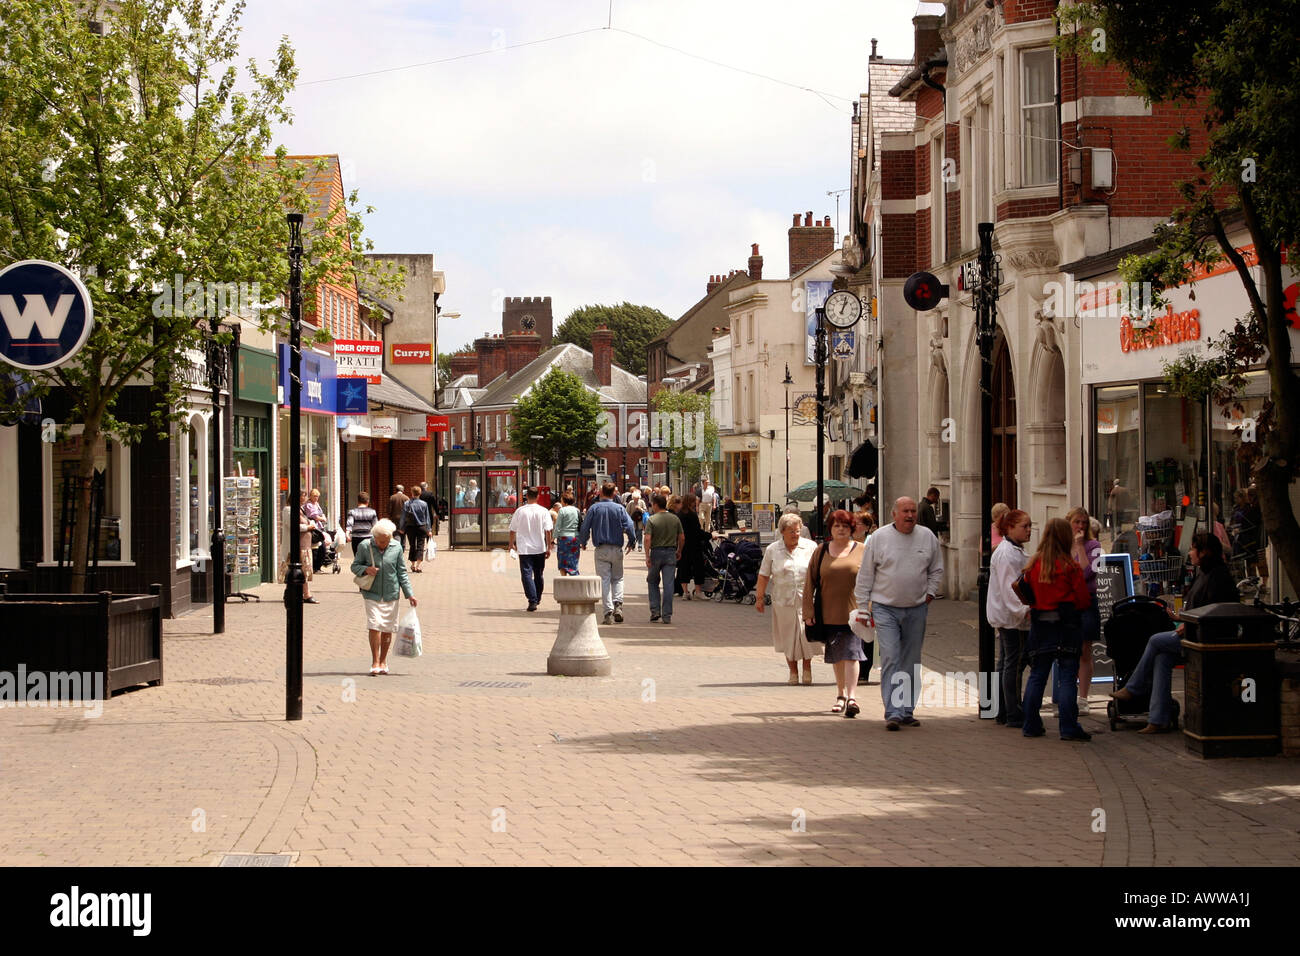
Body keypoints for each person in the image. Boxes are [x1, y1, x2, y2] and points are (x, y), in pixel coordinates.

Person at [1112, 532, 1238, 733]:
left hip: (1205, 638)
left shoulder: (1218, 577)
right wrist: (1181, 619)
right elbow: (1199, 608)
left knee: (1155, 640)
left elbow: (1214, 613)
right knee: (1162, 658)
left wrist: (1187, 625)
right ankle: (1157, 719)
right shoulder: (1203, 573)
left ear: (1205, 552)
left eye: (1194, 548)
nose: (1191, 552)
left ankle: (1134, 688)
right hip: (1193, 631)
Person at [854, 497, 944, 731]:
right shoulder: (880, 538)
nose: (910, 515)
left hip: (916, 608)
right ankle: (893, 711)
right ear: (894, 514)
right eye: (905, 511)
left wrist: (931, 593)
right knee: (891, 657)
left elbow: (936, 569)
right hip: (885, 608)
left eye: (913, 511)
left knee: (911, 660)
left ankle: (906, 710)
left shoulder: (927, 537)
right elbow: (865, 575)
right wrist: (863, 606)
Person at [1019, 518, 1093, 741]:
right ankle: (1068, 727)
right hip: (1067, 625)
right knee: (1068, 676)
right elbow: (1082, 600)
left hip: (1041, 624)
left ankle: (1030, 724)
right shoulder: (1070, 567)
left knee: (1038, 674)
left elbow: (1027, 595)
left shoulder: (1034, 565)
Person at [804, 510, 868, 715]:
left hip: (854, 613)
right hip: (828, 612)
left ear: (852, 529)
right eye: (836, 526)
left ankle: (852, 698)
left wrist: (870, 609)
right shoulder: (821, 551)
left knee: (852, 653)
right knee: (837, 655)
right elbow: (809, 582)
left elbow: (872, 581)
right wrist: (808, 611)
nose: (841, 529)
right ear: (830, 528)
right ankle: (840, 695)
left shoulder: (862, 550)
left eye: (845, 526)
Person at [757, 513, 820, 684]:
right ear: (782, 532)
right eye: (791, 531)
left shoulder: (811, 547)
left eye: (798, 531)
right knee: (788, 637)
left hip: (806, 600)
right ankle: (793, 672)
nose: (795, 534)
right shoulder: (772, 550)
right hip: (783, 601)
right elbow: (763, 575)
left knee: (806, 635)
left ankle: (807, 668)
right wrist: (760, 597)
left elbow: (818, 574)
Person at [351, 518, 417, 676]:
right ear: (374, 537)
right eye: (381, 541)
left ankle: (383, 661)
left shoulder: (396, 547)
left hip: (391, 593)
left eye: (387, 541)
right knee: (374, 625)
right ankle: (374, 661)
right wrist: (366, 569)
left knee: (388, 627)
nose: (384, 544)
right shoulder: (364, 546)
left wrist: (409, 594)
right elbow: (354, 566)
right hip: (371, 593)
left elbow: (402, 572)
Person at [989, 508, 1032, 727]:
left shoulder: (1012, 550)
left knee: (1007, 661)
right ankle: (1012, 711)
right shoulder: (1006, 553)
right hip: (1010, 617)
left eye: (1030, 526)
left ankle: (1004, 709)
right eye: (1024, 526)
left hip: (1009, 615)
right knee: (1012, 663)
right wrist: (1024, 610)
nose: (1029, 530)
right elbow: (1009, 588)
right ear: (1010, 527)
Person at [579, 481, 636, 624]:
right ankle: (618, 604)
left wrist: (583, 541)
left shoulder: (594, 508)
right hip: (617, 548)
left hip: (601, 548)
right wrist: (632, 541)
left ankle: (608, 612)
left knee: (604, 580)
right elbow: (629, 525)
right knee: (618, 578)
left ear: (601, 493)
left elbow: (585, 527)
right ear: (614, 494)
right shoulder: (619, 508)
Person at [1067, 506, 1103, 714]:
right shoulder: (1062, 546)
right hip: (1067, 602)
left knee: (1085, 650)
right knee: (1068, 650)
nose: (1080, 526)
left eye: (1084, 522)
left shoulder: (1095, 545)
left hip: (1087, 601)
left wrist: (1080, 547)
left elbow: (1088, 572)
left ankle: (1083, 697)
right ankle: (1067, 695)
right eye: (1076, 522)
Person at [508, 487, 553, 612]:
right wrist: (549, 547)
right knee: (539, 574)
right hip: (539, 547)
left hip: (524, 548)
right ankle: (537, 598)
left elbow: (512, 530)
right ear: (538, 496)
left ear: (526, 496)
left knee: (526, 574)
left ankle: (532, 600)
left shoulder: (520, 511)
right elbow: (548, 530)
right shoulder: (544, 511)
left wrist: (511, 545)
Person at [644, 493, 684, 624]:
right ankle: (667, 615)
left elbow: (648, 538)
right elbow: (682, 537)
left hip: (656, 552)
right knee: (668, 585)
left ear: (655, 505)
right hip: (671, 553)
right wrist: (679, 550)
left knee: (653, 581)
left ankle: (655, 610)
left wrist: (647, 555)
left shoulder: (652, 519)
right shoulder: (675, 519)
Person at [280, 490, 318, 604]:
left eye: (305, 496)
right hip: (296, 546)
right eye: (302, 496)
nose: (304, 498)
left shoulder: (301, 509)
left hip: (305, 546)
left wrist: (310, 524)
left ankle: (299, 593)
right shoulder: (288, 510)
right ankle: (304, 594)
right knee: (297, 570)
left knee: (304, 570)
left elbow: (307, 521)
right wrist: (308, 527)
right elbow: (293, 525)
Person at [674, 494, 710, 600]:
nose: (696, 503)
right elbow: (697, 531)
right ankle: (698, 591)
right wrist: (709, 535)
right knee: (698, 567)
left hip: (683, 545)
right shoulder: (692, 515)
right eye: (694, 501)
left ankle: (685, 592)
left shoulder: (679, 514)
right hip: (694, 545)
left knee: (683, 568)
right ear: (690, 502)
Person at [553, 491, 582, 577]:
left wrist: (553, 538)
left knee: (562, 561)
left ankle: (564, 578)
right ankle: (574, 576)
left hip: (563, 538)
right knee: (574, 559)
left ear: (564, 501)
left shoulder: (562, 510)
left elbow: (558, 526)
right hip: (575, 538)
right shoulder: (577, 510)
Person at [403, 491, 431, 573]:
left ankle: (413, 564)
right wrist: (429, 529)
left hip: (410, 527)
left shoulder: (407, 503)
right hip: (421, 527)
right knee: (420, 545)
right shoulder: (424, 504)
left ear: (412, 493)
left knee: (412, 545)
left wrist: (401, 527)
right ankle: (418, 566)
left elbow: (403, 517)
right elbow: (427, 518)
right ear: (419, 494)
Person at [345, 492, 377, 556]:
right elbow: (375, 526)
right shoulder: (372, 512)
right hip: (368, 537)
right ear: (368, 501)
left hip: (356, 538)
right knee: (369, 558)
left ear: (358, 501)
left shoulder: (352, 512)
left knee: (357, 558)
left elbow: (349, 524)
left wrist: (347, 534)